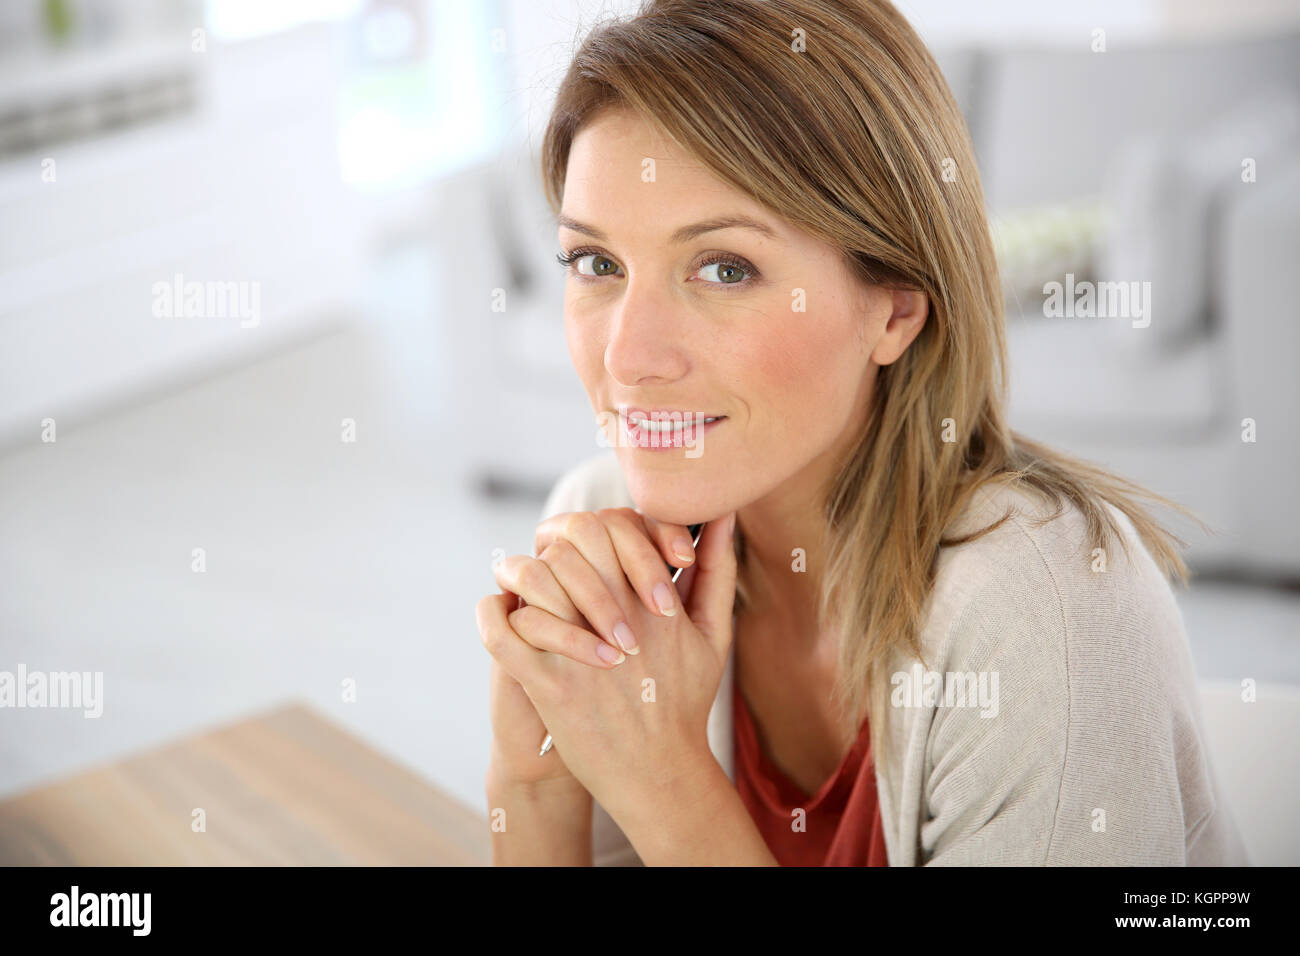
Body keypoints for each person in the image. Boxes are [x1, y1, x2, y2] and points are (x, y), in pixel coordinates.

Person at [475, 0, 1248, 866]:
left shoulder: (1044, 615)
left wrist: (664, 781)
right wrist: (533, 781)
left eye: (724, 268)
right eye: (597, 264)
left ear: (895, 309)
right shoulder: (605, 527)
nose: (628, 356)